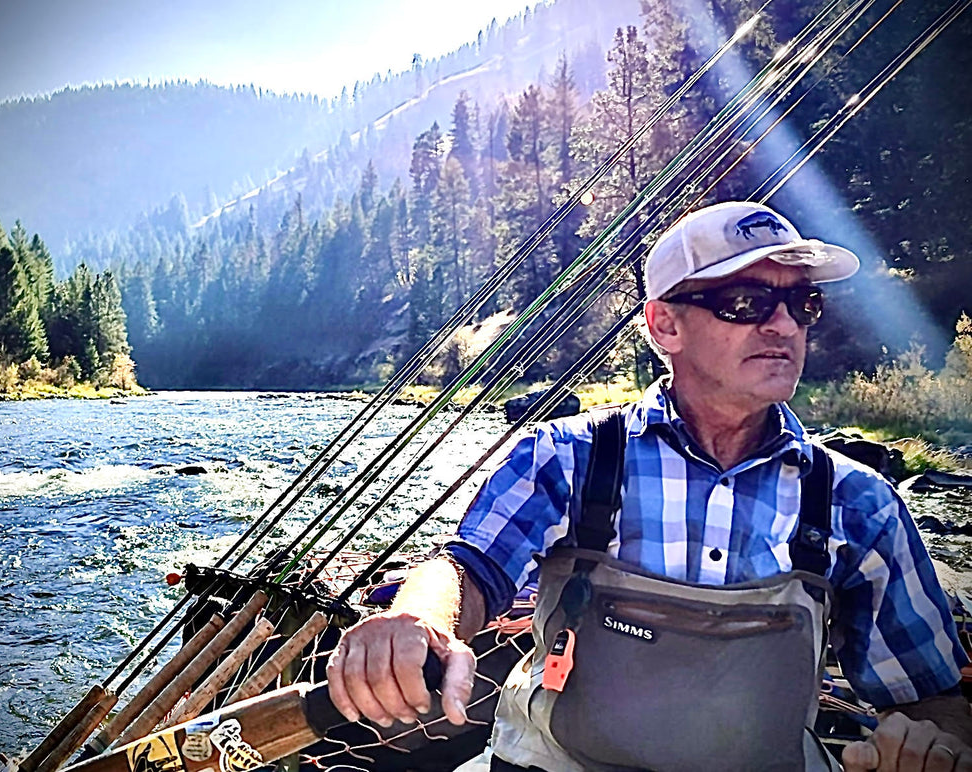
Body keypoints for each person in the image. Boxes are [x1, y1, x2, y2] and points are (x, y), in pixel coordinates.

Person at [327, 201, 972, 771]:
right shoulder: (566, 456)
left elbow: (932, 700)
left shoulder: (860, 504)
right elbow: (469, 570)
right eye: (745, 303)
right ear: (664, 325)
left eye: (801, 304)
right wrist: (415, 619)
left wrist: (931, 744)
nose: (782, 326)